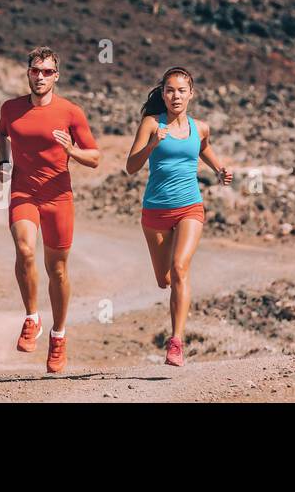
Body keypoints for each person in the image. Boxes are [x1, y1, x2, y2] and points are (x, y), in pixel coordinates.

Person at [0, 46, 101, 373]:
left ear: (57, 76)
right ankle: (31, 318)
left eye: (47, 72)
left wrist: (72, 150)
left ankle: (59, 335)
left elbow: (95, 158)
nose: (40, 77)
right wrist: (4, 160)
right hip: (24, 190)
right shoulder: (10, 108)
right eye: (35, 71)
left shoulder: (70, 112)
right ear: (27, 72)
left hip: (58, 197)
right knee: (25, 249)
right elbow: (2, 133)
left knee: (57, 270)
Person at [123, 66, 231, 366]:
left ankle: (176, 342)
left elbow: (202, 148)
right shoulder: (150, 123)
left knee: (180, 268)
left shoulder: (201, 127)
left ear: (191, 94)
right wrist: (152, 144)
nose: (175, 96)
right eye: (170, 90)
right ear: (162, 93)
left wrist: (219, 169)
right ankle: (170, 288)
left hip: (190, 207)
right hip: (155, 211)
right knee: (165, 278)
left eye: (182, 90)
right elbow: (130, 166)